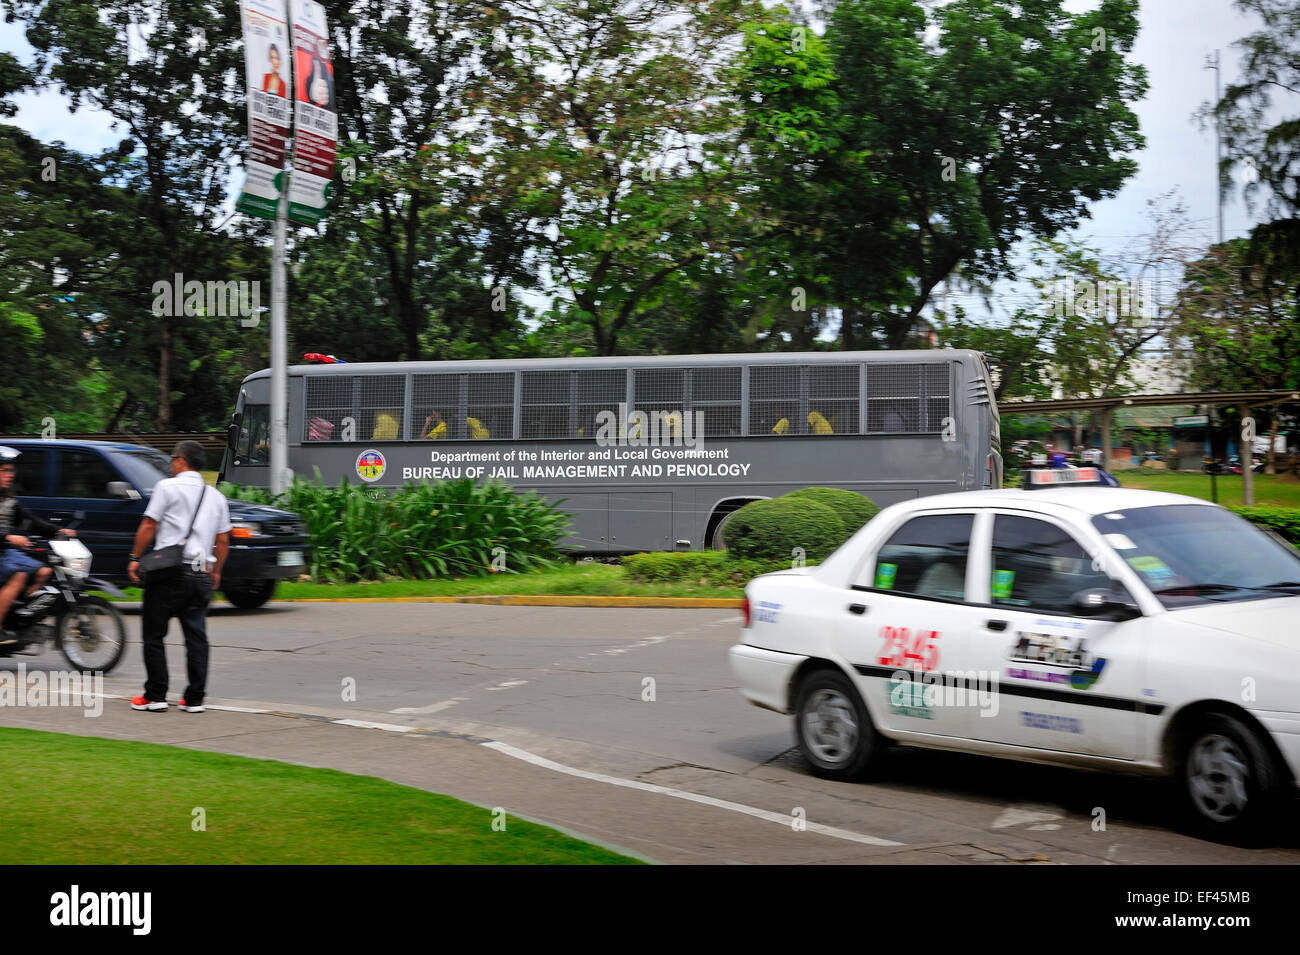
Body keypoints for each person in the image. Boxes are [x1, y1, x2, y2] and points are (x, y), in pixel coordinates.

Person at [127, 441, 231, 713]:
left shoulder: (167, 487)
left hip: (169, 572)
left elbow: (149, 524)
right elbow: (222, 541)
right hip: (200, 572)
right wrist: (216, 571)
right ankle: (194, 699)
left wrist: (136, 558)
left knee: (154, 634)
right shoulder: (216, 497)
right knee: (196, 636)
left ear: (181, 461)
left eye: (173, 459)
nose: (172, 464)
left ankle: (156, 696)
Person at [0, 447, 76, 642]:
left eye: (11, 470)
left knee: (44, 571)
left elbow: (29, 521)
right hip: (3, 551)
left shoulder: (8, 499)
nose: (9, 475)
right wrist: (9, 539)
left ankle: (16, 617)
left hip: (5, 552)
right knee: (18, 575)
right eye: (4, 471)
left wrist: (57, 531)